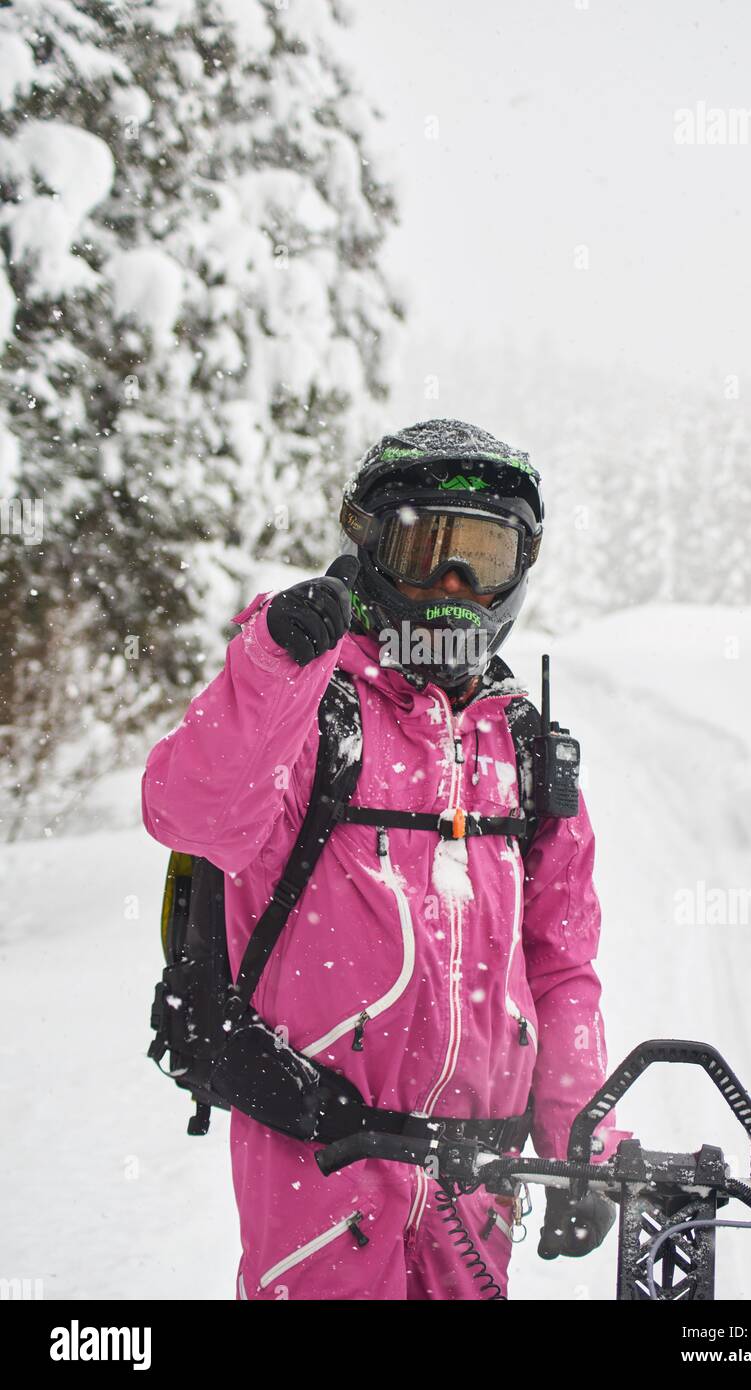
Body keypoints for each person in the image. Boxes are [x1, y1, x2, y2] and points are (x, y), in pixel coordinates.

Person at [142, 418, 630, 1300]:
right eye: (425, 549)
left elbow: (562, 968)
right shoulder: (312, 712)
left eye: (481, 556)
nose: (453, 586)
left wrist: (580, 1136)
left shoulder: (523, 749)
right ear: (369, 548)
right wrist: (275, 663)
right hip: (318, 1155)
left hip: (478, 1182)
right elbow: (191, 812)